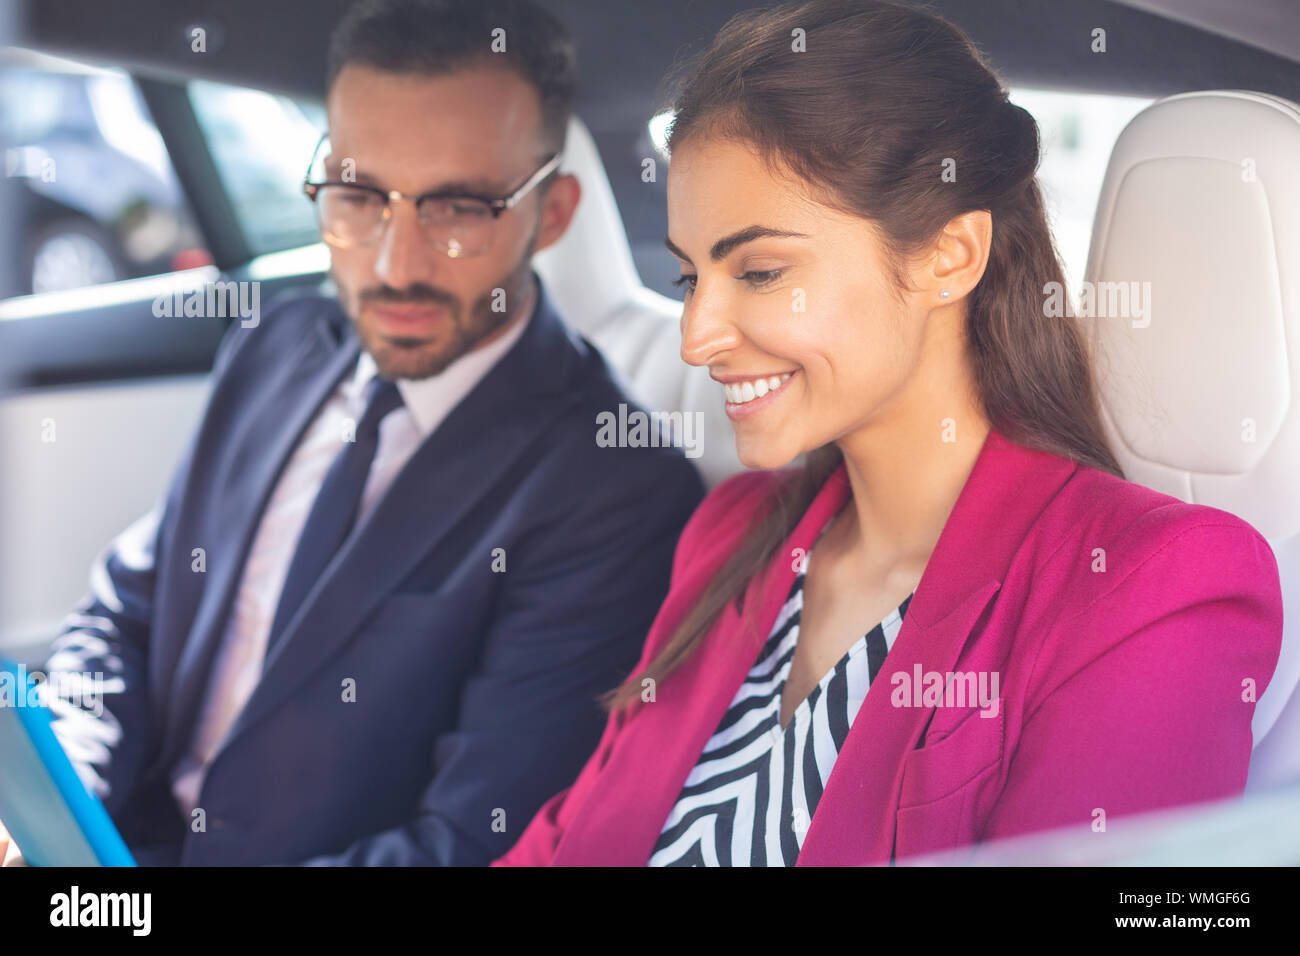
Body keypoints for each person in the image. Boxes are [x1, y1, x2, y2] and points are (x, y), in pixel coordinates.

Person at [493, 0, 1284, 866]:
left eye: (759, 271)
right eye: (690, 278)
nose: (696, 337)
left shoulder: (1149, 588)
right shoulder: (732, 536)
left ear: (949, 257)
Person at [2, 0, 703, 866]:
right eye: (360, 196)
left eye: (459, 208)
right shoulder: (278, 346)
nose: (394, 263)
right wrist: (62, 787)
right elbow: (132, 611)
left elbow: (467, 843)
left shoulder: (616, 488)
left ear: (551, 214)